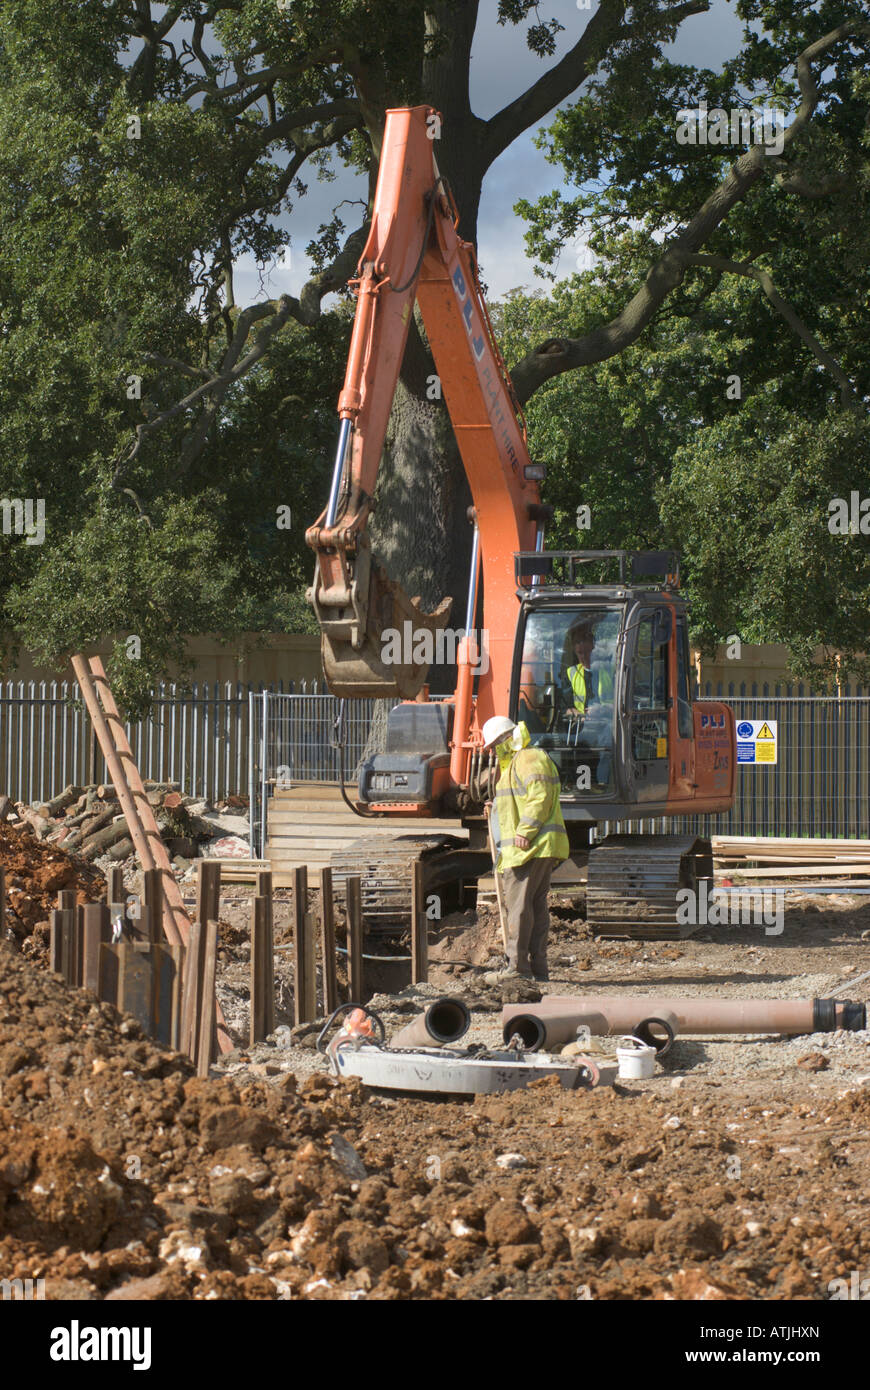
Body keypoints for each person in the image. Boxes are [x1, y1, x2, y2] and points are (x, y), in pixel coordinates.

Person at [481, 715, 569, 984]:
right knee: (533, 907)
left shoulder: (528, 758)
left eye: (493, 746)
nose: (492, 752)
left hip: (529, 848)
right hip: (532, 848)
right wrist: (495, 808)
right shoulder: (515, 763)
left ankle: (518, 968)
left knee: (519, 908)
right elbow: (518, 801)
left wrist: (525, 831)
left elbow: (539, 797)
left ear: (505, 739)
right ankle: (537, 969)